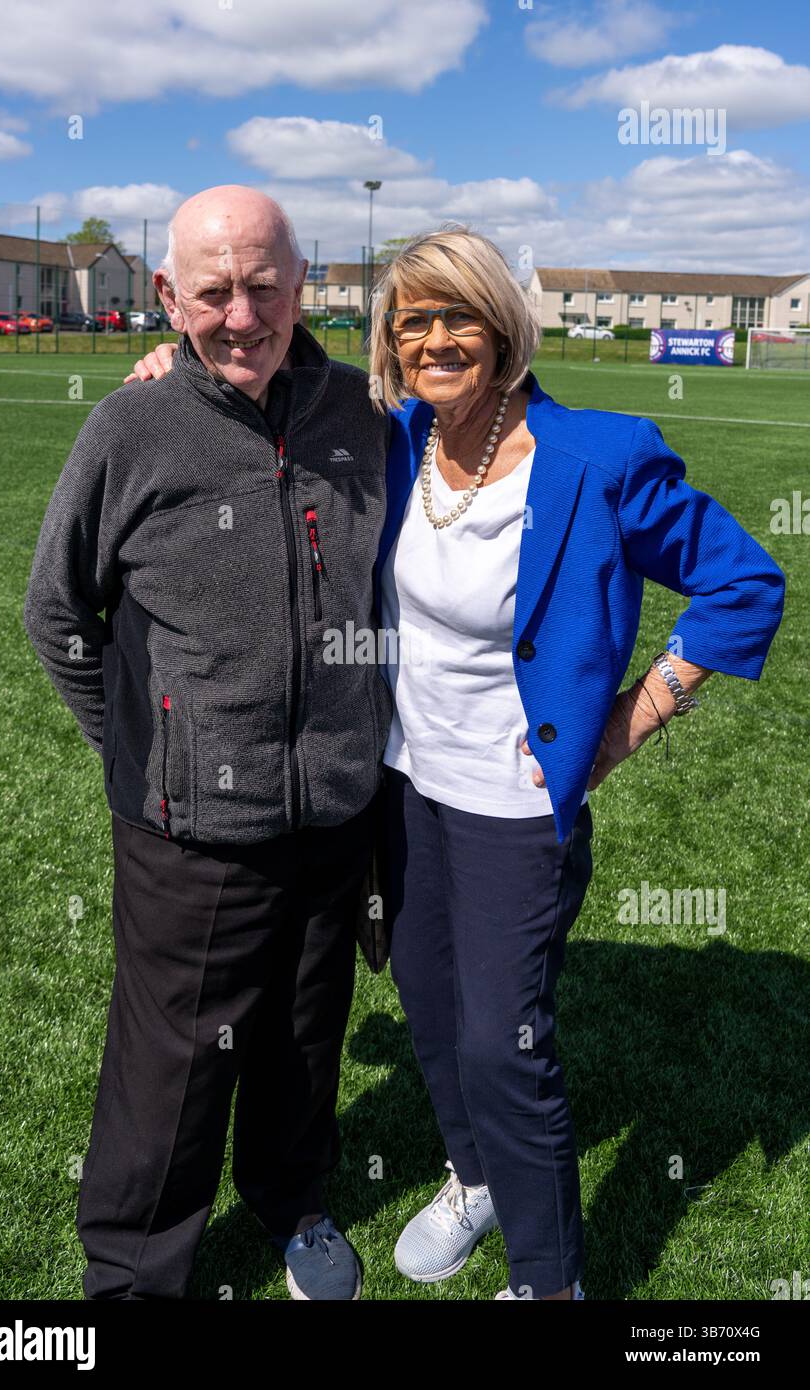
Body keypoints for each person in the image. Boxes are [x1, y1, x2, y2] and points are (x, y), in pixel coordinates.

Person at [125, 225, 786, 1301]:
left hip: (514, 809)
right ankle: (474, 1176)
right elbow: (257, 367)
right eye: (410, 320)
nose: (432, 340)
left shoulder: (597, 459)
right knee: (429, 1006)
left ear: (502, 328)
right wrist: (170, 361)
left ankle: (548, 1278)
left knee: (500, 1043)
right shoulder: (393, 440)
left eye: (456, 317)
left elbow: (743, 584)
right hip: (399, 787)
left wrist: (627, 722)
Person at [23, 185, 393, 1301]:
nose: (241, 316)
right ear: (169, 296)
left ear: (304, 284)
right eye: (214, 292)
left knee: (301, 1035)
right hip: (188, 827)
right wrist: (145, 751)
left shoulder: (362, 412)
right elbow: (56, 613)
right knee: (171, 1067)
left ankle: (293, 1200)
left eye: (264, 288)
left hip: (334, 809)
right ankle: (136, 1273)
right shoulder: (130, 425)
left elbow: (492, 385)